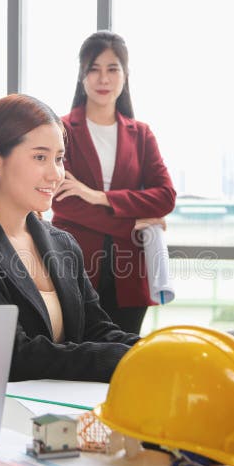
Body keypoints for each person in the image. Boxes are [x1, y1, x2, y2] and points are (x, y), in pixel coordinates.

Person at [0, 94, 139, 382]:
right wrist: (119, 360)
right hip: (2, 415)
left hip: (57, 408)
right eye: (40, 157)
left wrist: (153, 350)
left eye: (59, 159)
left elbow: (95, 328)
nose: (55, 174)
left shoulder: (62, 244)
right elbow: (14, 356)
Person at [52, 30, 176, 335]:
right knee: (77, 357)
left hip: (130, 272)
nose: (103, 79)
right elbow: (63, 202)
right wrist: (130, 223)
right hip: (75, 264)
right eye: (93, 69)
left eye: (112, 69)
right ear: (82, 77)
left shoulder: (141, 133)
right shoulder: (61, 129)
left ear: (125, 75)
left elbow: (165, 196)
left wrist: (99, 197)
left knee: (125, 361)